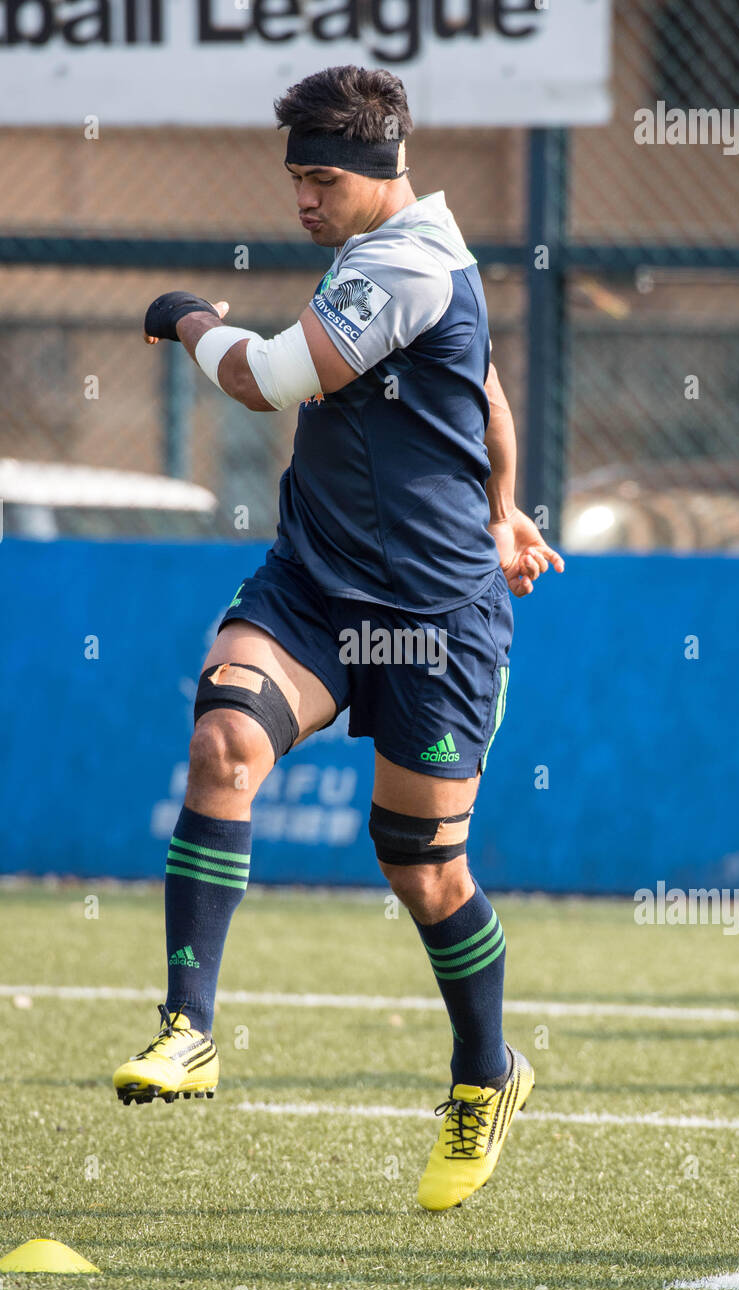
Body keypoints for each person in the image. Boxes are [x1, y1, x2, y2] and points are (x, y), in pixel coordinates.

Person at [112, 64, 564, 1211]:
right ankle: (188, 1027)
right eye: (296, 179)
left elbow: (265, 380)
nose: (302, 202)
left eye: (320, 180)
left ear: (376, 174)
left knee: (423, 870)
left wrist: (187, 315)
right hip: (314, 591)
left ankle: (484, 1074)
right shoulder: (389, 257)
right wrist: (510, 500)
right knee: (224, 739)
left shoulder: (408, 261)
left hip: (434, 620)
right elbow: (493, 393)